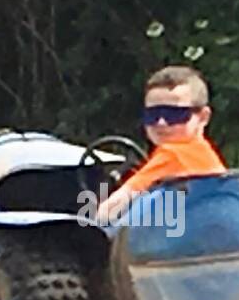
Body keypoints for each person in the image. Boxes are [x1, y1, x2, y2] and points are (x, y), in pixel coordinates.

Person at [94, 65, 227, 224]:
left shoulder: (172, 154)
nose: (161, 123)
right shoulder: (207, 155)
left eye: (174, 114)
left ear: (203, 117)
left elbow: (109, 212)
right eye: (153, 114)